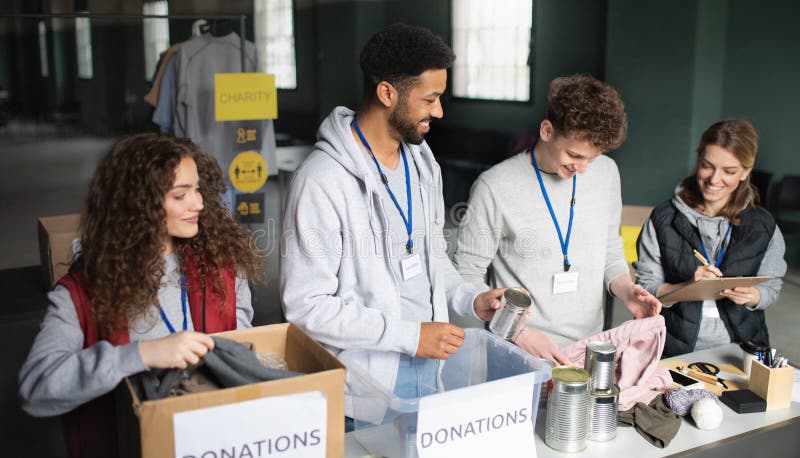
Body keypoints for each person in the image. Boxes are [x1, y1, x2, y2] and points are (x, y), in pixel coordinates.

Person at [280, 23, 507, 422]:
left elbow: (434, 261)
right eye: (430, 99)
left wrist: (471, 299)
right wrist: (410, 336)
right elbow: (306, 306)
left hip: (429, 369)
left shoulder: (423, 164)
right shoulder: (321, 180)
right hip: (364, 389)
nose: (439, 111)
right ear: (387, 93)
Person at [18, 133, 263, 457]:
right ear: (138, 205)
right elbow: (36, 388)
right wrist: (142, 354)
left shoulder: (222, 265)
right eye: (181, 195)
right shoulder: (81, 294)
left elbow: (243, 335)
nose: (199, 203)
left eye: (198, 189)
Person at [453, 74, 661, 364]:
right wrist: (518, 332)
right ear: (547, 131)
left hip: (588, 350)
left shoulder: (607, 172)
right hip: (517, 350)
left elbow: (610, 250)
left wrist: (627, 290)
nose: (584, 169)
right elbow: (466, 274)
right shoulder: (495, 186)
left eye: (593, 157)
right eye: (575, 154)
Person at [635, 119, 786, 357]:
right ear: (698, 160)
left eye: (729, 171)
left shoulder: (763, 225)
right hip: (672, 346)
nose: (714, 180)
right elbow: (645, 287)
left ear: (746, 171)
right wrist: (686, 287)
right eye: (707, 166)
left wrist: (756, 296)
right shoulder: (662, 218)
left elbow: (772, 286)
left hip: (743, 347)